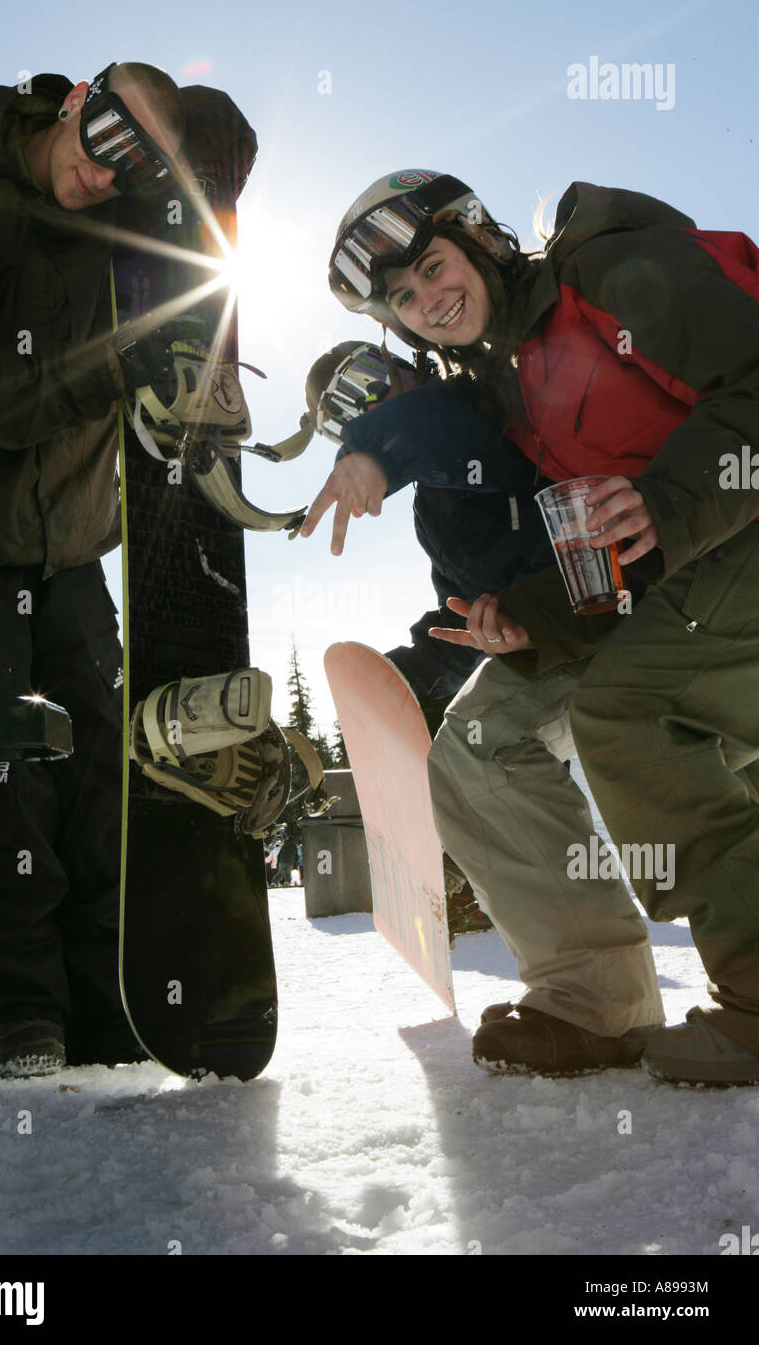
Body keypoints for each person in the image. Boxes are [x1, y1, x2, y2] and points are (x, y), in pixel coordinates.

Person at [309, 168, 759, 1085]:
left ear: (477, 237)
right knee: (475, 749)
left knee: (630, 710)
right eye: (403, 297)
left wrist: (671, 504)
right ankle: (598, 1001)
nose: (427, 299)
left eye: (434, 268)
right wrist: (520, 623)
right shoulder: (504, 383)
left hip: (730, 537)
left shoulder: (605, 269)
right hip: (672, 581)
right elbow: (445, 435)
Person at [0, 63, 249, 1077]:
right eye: (105, 146)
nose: (106, 179)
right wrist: (114, 365)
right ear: (74, 102)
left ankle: (107, 1008)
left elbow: (201, 202)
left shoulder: (135, 217)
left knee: (99, 780)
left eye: (137, 167)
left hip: (72, 554)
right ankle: (11, 1017)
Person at [305, 338, 556, 934]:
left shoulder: (482, 394)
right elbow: (462, 619)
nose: (369, 406)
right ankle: (465, 884)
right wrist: (408, 674)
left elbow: (449, 424)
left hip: (611, 613)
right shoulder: (435, 516)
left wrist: (374, 448)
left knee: (481, 745)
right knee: (465, 736)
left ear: (400, 360)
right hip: (551, 650)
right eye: (347, 411)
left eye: (367, 378)